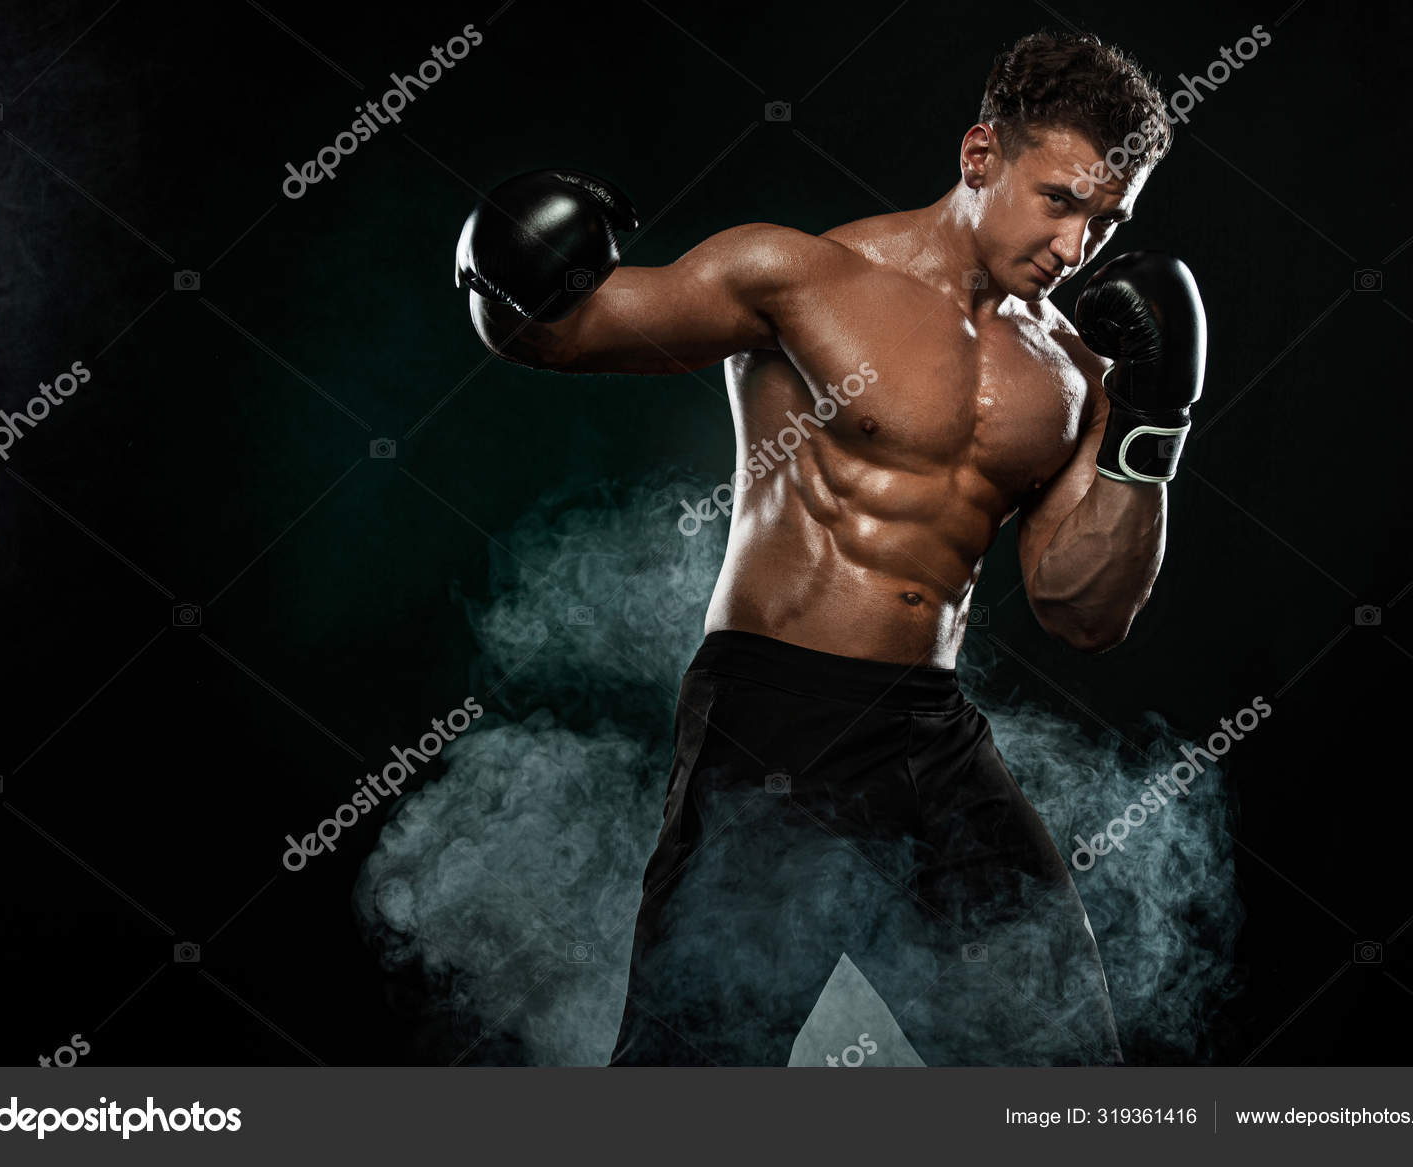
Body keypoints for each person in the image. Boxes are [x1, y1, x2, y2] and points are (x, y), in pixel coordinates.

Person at [455, 29, 1205, 1066]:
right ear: (981, 155)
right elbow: (555, 331)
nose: (1075, 248)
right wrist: (502, 257)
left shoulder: (1075, 374)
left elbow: (1082, 611)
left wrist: (1154, 425)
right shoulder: (801, 275)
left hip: (931, 735)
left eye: (1106, 221)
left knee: (1061, 1065)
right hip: (773, 723)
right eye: (1060, 202)